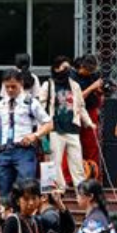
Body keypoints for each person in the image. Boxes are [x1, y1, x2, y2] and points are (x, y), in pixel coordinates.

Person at [0, 68, 52, 197]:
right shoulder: (0, 105)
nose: (10, 90)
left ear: (21, 83)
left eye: (13, 86)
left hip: (24, 150)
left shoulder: (31, 103)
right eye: (7, 87)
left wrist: (35, 135)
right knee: (4, 190)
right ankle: (6, 216)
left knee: (25, 189)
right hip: (4, 152)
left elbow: (49, 124)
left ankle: (24, 216)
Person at [43, 56, 94, 192]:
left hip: (72, 128)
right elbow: (41, 108)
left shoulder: (75, 85)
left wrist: (89, 122)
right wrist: (41, 129)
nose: (67, 70)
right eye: (64, 68)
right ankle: (58, 188)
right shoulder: (48, 85)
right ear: (56, 69)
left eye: (68, 68)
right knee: (54, 161)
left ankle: (81, 190)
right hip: (55, 128)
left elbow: (81, 106)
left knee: (77, 161)